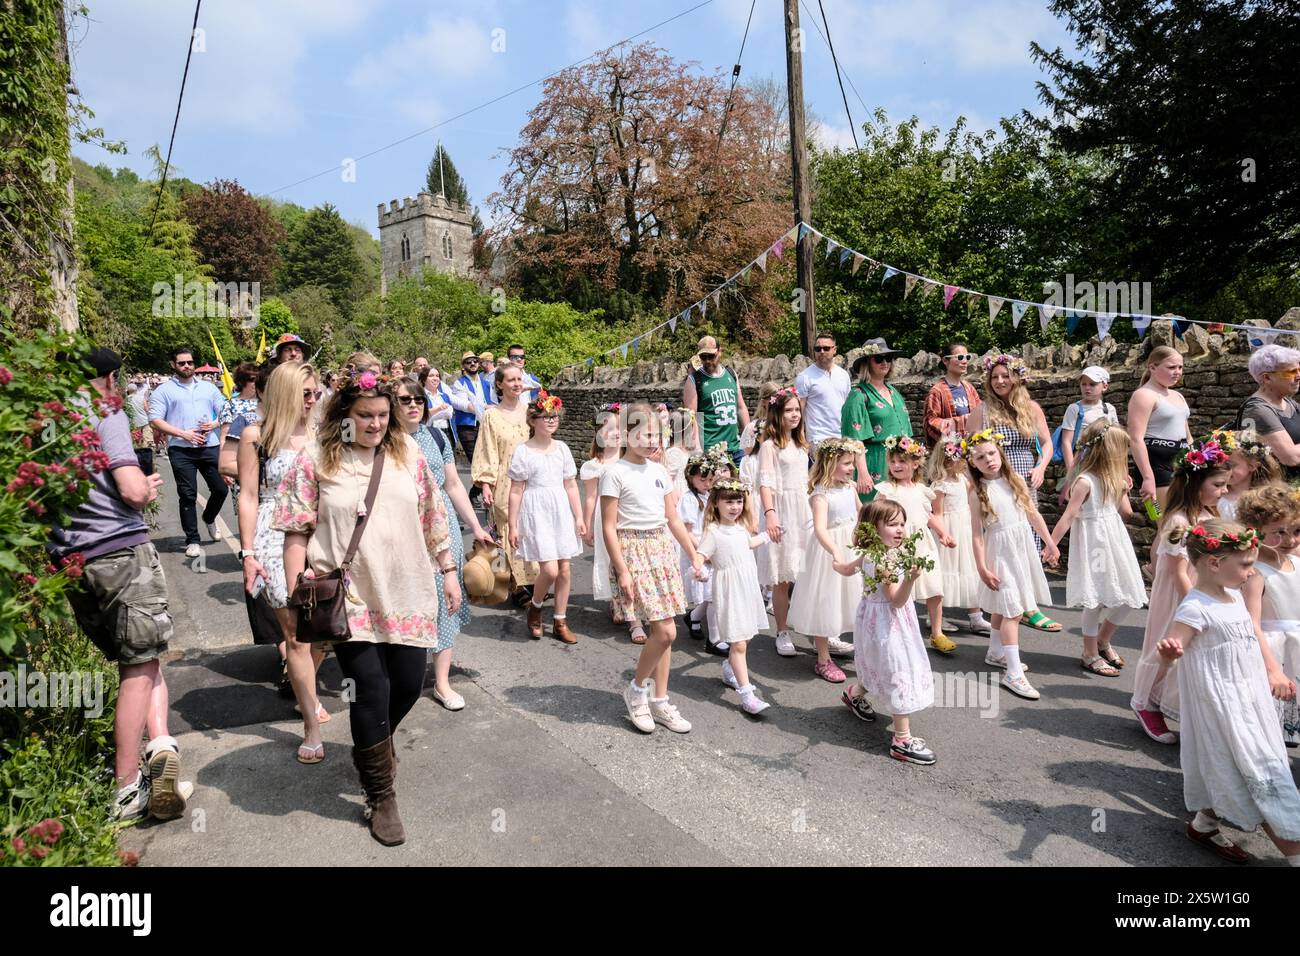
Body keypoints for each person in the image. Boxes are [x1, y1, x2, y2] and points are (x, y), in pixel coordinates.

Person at [274, 367, 461, 846]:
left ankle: (373, 743)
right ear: (344, 415)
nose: (376, 424)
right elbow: (296, 528)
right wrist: (299, 586)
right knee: (369, 688)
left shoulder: (409, 454)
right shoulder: (317, 458)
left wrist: (449, 571)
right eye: (365, 415)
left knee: (405, 682)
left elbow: (432, 516)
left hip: (408, 588)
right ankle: (381, 793)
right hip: (349, 593)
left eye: (383, 414)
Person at [50, 348, 191, 821]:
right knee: (139, 667)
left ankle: (161, 747)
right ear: (110, 379)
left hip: (70, 561)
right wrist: (147, 489)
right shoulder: (103, 411)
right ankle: (127, 788)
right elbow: (131, 489)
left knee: (137, 658)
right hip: (120, 553)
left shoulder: (37, 423)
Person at [1155, 519, 1300, 866]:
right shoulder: (1195, 608)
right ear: (1215, 563)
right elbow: (1170, 659)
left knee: (1232, 769)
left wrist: (1270, 672)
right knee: (1262, 777)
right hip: (1225, 709)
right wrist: (1168, 655)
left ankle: (1205, 824)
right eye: (1246, 565)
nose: (1252, 572)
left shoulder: (1233, 595)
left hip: (1251, 702)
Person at [236, 362, 328, 762]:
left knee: (327, 630)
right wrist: (248, 553)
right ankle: (310, 724)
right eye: (305, 393)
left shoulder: (327, 435)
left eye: (316, 393)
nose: (312, 400)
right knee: (295, 636)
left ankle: (304, 684)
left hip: (323, 533)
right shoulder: (257, 437)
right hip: (275, 536)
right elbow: (249, 497)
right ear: (284, 394)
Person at [602, 403, 706, 734]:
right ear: (626, 434)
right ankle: (636, 690)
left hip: (661, 548)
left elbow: (673, 518)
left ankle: (660, 700)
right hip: (633, 551)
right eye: (644, 434)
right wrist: (622, 569)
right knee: (665, 632)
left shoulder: (659, 471)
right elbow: (608, 527)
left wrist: (693, 553)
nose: (651, 440)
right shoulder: (614, 472)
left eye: (655, 434)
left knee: (664, 633)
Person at [394, 375, 494, 709]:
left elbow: (452, 484)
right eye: (404, 400)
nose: (412, 405)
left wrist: (475, 526)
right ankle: (401, 675)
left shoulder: (435, 435)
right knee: (405, 600)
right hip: (403, 529)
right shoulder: (384, 439)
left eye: (418, 400)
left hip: (443, 526)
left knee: (446, 602)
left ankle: (441, 681)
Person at [1129, 436, 1232, 743]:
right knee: (1164, 645)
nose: (1224, 491)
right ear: (1194, 484)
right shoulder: (1177, 521)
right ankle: (1144, 702)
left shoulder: (1211, 515)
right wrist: (1195, 604)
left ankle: (1172, 704)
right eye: (1218, 485)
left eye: (1225, 484)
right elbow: (1176, 570)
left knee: (1187, 653)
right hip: (1179, 593)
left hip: (1199, 590)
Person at [833, 498, 937, 765]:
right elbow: (896, 601)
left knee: (876, 665)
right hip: (889, 626)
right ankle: (901, 740)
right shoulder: (885, 562)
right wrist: (911, 580)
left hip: (871, 621)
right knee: (899, 672)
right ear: (873, 528)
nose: (900, 529)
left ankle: (853, 694)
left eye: (902, 523)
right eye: (892, 524)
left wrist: (837, 564)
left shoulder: (872, 553)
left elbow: (849, 568)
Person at [966, 428, 1061, 700]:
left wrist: (1050, 542)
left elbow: (1033, 514)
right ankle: (1014, 672)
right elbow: (976, 534)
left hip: (1022, 548)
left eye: (992, 453)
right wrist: (982, 567)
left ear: (1000, 452)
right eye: (981, 458)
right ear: (974, 463)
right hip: (1000, 552)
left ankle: (996, 653)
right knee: (1013, 611)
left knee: (1005, 606)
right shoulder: (977, 493)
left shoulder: (1015, 479)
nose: (989, 460)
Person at [969, 353, 1061, 632]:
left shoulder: (1031, 407)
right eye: (994, 377)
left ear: (1017, 378)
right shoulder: (981, 411)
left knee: (1027, 535)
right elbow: (968, 451)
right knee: (1002, 539)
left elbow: (1046, 444)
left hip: (1024, 474)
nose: (999, 381)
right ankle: (1012, 601)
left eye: (1005, 376)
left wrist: (1042, 467)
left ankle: (1026, 603)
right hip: (994, 476)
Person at [1049, 420, 1148, 677]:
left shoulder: (1114, 477)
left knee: (1131, 594)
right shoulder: (1084, 481)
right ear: (1107, 451)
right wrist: (1052, 545)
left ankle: (1103, 639)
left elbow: (1125, 512)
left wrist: (1124, 490)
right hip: (1095, 544)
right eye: (1121, 452)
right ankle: (1089, 652)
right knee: (1096, 598)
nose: (1124, 456)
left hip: (1115, 538)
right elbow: (1069, 516)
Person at [508, 390, 585, 642]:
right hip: (536, 511)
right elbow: (516, 490)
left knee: (564, 569)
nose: (551, 420)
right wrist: (512, 525)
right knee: (549, 570)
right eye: (545, 416)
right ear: (533, 421)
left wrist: (579, 516)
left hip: (560, 510)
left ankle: (560, 621)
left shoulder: (562, 448)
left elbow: (571, 485)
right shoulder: (523, 451)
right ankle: (536, 606)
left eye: (554, 416)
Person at [788, 438, 865, 669]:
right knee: (826, 600)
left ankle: (863, 651)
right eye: (846, 463)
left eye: (852, 463)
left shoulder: (850, 488)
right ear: (830, 463)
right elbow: (820, 528)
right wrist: (834, 551)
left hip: (852, 546)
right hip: (828, 550)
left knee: (856, 599)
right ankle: (823, 658)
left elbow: (862, 514)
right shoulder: (821, 494)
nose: (852, 468)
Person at [757, 389, 820, 673]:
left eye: (797, 410)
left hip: (803, 510)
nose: (794, 415)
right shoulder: (770, 446)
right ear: (777, 415)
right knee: (782, 576)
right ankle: (782, 630)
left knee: (809, 572)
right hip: (782, 511)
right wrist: (771, 515)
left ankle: (819, 628)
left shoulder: (803, 445)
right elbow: (765, 483)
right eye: (788, 411)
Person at [698, 478, 773, 715]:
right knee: (739, 642)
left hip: (748, 587)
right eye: (729, 502)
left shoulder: (740, 527)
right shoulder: (713, 531)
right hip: (729, 590)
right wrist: (697, 569)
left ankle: (730, 667)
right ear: (716, 504)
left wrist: (769, 536)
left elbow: (748, 544)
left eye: (739, 501)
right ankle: (747, 694)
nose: (735, 506)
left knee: (746, 636)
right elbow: (701, 553)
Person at [874, 436, 954, 654]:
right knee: (901, 591)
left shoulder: (921, 489)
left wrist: (943, 533)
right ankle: (899, 633)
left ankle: (937, 632)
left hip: (923, 543)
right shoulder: (887, 489)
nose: (896, 466)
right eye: (893, 462)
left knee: (935, 588)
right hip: (898, 545)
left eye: (902, 461)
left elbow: (928, 515)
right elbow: (875, 514)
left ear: (916, 463)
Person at [148, 346, 228, 557]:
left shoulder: (208, 388)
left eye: (190, 363)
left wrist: (214, 424)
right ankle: (192, 539)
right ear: (173, 365)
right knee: (187, 494)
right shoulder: (163, 391)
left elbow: (225, 411)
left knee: (221, 489)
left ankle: (209, 518)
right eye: (182, 363)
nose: (187, 366)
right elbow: (155, 420)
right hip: (181, 449)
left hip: (208, 445)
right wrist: (183, 434)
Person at [1237, 484, 1300, 748]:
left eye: (1296, 531)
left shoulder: (1296, 562)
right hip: (1271, 650)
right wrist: (1273, 669)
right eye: (1279, 532)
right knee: (1266, 721)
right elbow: (1252, 623)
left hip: (1296, 648)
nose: (1290, 540)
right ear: (1256, 531)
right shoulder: (1256, 573)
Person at [472, 362, 538, 601]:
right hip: (505, 481)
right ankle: (516, 584)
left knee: (532, 528)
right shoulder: (492, 415)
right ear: (499, 384)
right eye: (510, 380)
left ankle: (534, 581)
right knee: (509, 531)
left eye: (519, 379)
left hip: (533, 482)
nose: (516, 384)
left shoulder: (532, 411)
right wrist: (486, 484)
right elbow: (486, 450)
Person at [583, 405, 646, 643]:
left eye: (620, 428)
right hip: (605, 517)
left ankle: (633, 615)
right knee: (613, 562)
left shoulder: (630, 459)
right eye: (610, 429)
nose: (617, 433)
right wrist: (586, 524)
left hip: (629, 515)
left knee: (631, 562)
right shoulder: (593, 465)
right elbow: (590, 498)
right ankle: (625, 608)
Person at [924, 439, 990, 637]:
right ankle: (935, 616)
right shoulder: (940, 485)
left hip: (965, 528)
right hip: (950, 530)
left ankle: (976, 617)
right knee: (946, 571)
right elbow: (936, 513)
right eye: (957, 458)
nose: (961, 462)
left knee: (970, 569)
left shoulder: (963, 480)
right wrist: (944, 534)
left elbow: (970, 503)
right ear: (945, 461)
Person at [842, 339, 909, 501]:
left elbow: (906, 434)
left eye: (888, 358)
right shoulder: (858, 395)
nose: (885, 362)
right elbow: (854, 439)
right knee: (875, 513)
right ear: (867, 363)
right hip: (875, 461)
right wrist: (863, 474)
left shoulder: (894, 392)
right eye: (879, 359)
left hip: (899, 462)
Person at [1128, 345, 1192, 508]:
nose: (1177, 371)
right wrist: (1148, 478)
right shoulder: (1143, 395)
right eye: (1171, 367)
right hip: (1155, 467)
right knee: (1164, 522)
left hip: (1180, 463)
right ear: (1153, 367)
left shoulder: (1178, 396)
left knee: (1184, 521)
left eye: (1180, 367)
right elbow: (1135, 439)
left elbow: (1188, 436)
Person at [1235, 344, 1300, 482]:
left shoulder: (1289, 403)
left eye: (1299, 370)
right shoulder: (1258, 410)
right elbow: (1291, 457)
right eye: (1291, 372)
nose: (1298, 376)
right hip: (1275, 493)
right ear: (1267, 378)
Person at [683, 335, 750, 466]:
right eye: (703, 357)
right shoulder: (694, 380)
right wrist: (697, 448)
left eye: (711, 356)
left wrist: (749, 437)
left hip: (735, 447)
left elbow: (741, 407)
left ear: (720, 352)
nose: (707, 361)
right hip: (711, 449)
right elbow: (691, 416)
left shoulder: (731, 374)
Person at [678, 454, 718, 647]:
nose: (707, 483)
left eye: (710, 479)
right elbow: (687, 531)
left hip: (711, 546)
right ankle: (715, 639)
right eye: (702, 479)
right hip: (697, 548)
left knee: (713, 592)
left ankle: (693, 617)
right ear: (690, 477)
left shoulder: (711, 496)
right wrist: (702, 552)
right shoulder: (689, 499)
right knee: (711, 593)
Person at [1057, 366, 1119, 474]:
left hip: (1106, 460)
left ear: (1104, 386)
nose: (1087, 388)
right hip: (1082, 461)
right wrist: (1071, 471)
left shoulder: (1109, 409)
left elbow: (1116, 440)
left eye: (1092, 384)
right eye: (1083, 384)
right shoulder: (1074, 409)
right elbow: (1066, 442)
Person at [795, 331, 851, 447]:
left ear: (834, 350)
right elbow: (800, 410)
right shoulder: (804, 377)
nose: (821, 352)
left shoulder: (843, 375)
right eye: (818, 348)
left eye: (826, 348)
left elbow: (848, 407)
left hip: (842, 437)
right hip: (818, 439)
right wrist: (802, 440)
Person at [923, 339, 983, 445]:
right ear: (945, 360)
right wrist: (963, 421)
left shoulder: (970, 388)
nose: (964, 361)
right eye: (960, 357)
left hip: (972, 451)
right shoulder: (937, 391)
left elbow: (981, 415)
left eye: (967, 357)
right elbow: (930, 423)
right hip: (951, 454)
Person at [1217, 430, 1281, 521]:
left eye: (1229, 465)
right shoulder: (1215, 496)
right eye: (1219, 462)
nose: (1222, 469)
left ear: (1252, 465)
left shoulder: (1266, 499)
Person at [450, 352, 492, 465]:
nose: (472, 363)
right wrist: (486, 407)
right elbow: (465, 405)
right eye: (469, 362)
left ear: (479, 364)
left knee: (488, 462)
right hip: (468, 427)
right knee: (476, 463)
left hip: (485, 425)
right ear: (463, 366)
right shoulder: (459, 383)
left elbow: (493, 402)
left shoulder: (486, 384)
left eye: (475, 361)